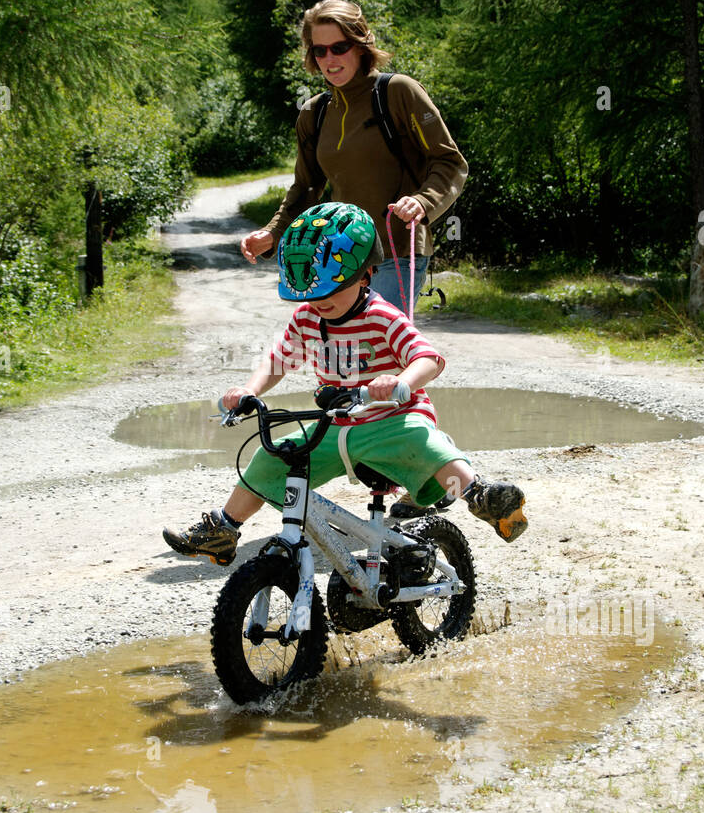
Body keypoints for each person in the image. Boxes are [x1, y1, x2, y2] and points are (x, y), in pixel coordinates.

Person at [164, 204, 527, 566]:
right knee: (274, 454)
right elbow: (279, 360)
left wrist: (399, 381)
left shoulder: (381, 316)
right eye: (311, 292)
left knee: (425, 441)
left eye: (329, 290)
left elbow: (428, 359)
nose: (318, 301)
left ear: (366, 274)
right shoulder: (307, 317)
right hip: (337, 424)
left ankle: (481, 496)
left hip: (392, 420)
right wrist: (249, 391)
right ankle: (224, 529)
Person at [240, 0, 469, 316]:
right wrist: (273, 232)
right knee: (342, 357)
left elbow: (450, 162)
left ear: (361, 45)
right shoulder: (314, 113)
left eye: (339, 47)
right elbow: (306, 188)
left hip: (396, 251)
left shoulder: (399, 93)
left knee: (377, 353)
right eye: (319, 50)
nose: (329, 59)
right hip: (336, 258)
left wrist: (423, 201)